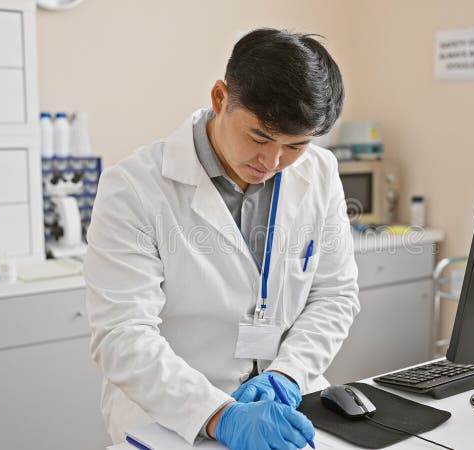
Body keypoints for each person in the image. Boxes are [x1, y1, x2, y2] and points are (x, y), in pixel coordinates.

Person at [85, 28, 359, 449]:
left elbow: (335, 295)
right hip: (175, 420)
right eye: (260, 137)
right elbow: (123, 334)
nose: (272, 161)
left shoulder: (319, 172)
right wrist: (220, 415)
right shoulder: (135, 188)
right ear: (220, 99)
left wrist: (287, 373)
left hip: (286, 404)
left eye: (296, 146)